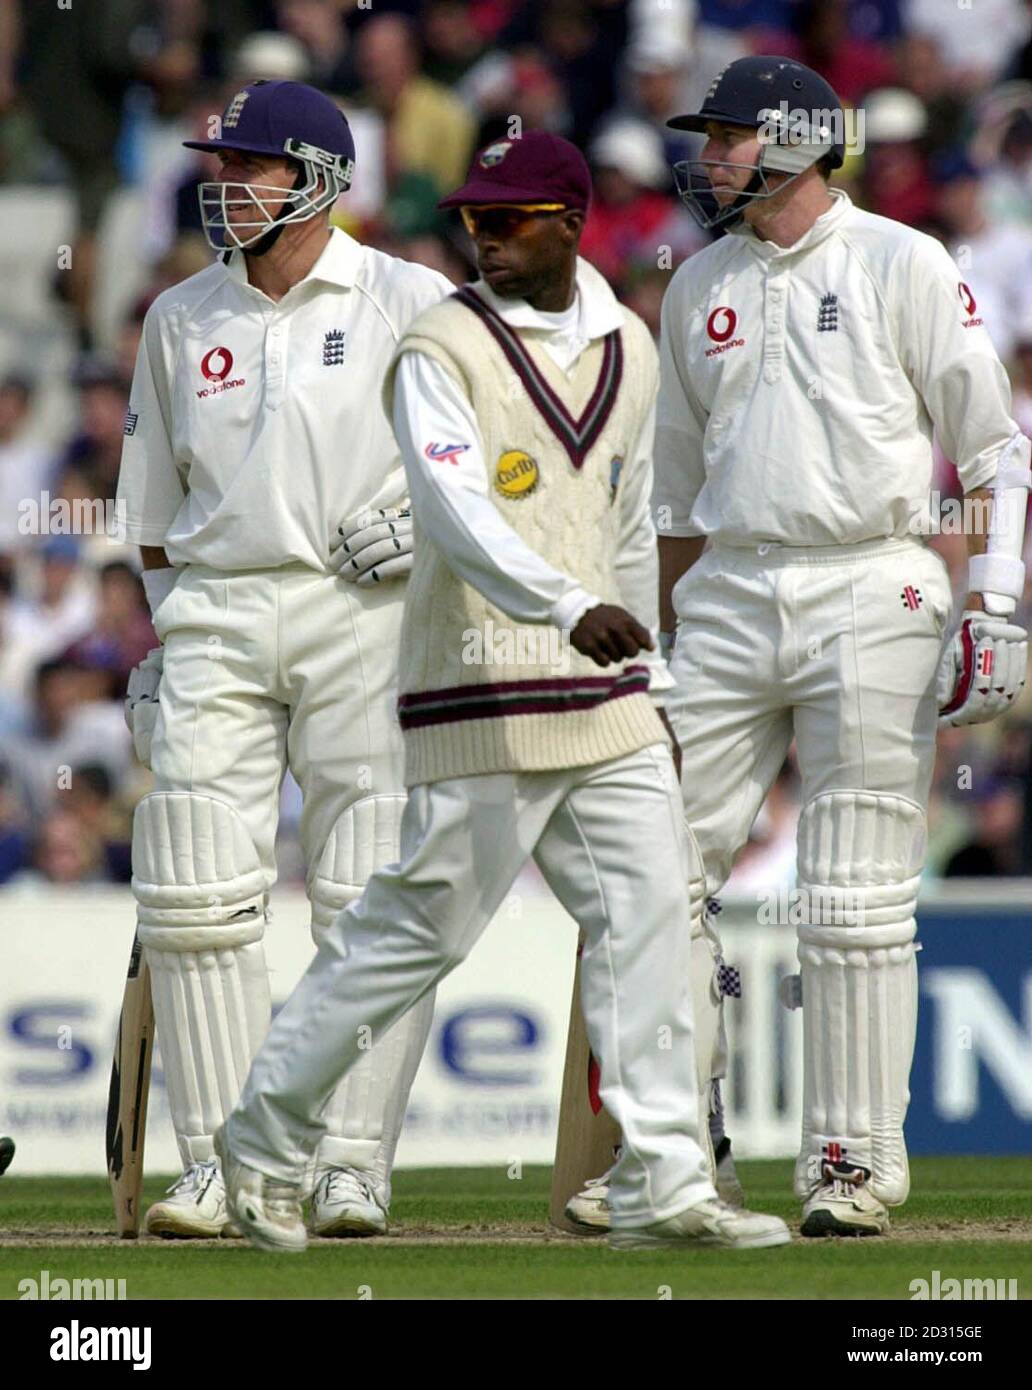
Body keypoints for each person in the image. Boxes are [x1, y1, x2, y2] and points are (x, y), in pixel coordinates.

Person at [214, 130, 790, 1255]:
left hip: (607, 694)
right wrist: (566, 608)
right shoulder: (441, 344)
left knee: (653, 916)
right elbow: (451, 508)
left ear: (573, 221)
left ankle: (663, 1178)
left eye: (511, 218)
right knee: (412, 932)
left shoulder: (628, 343)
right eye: (475, 217)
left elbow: (628, 524)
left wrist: (648, 674)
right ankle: (263, 1139)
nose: (485, 235)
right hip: (483, 678)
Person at [567, 53, 1029, 1240]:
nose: (707, 157)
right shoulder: (694, 283)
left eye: (725, 138)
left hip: (874, 579)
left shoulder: (901, 260)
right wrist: (655, 641)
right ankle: (674, 1156)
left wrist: (999, 607)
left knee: (854, 896)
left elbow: (996, 452)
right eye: (707, 139)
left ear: (796, 143)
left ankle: (850, 1163)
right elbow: (671, 499)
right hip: (726, 590)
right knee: (651, 877)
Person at [116, 79, 453, 1240]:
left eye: (248, 166)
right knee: (195, 892)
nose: (225, 186)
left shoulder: (412, 297)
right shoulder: (179, 317)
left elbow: (505, 462)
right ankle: (222, 1164)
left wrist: (426, 523)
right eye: (219, 166)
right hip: (217, 607)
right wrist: (166, 636)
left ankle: (351, 1161)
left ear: (315, 176)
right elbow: (151, 513)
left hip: (370, 612)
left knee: (368, 896)